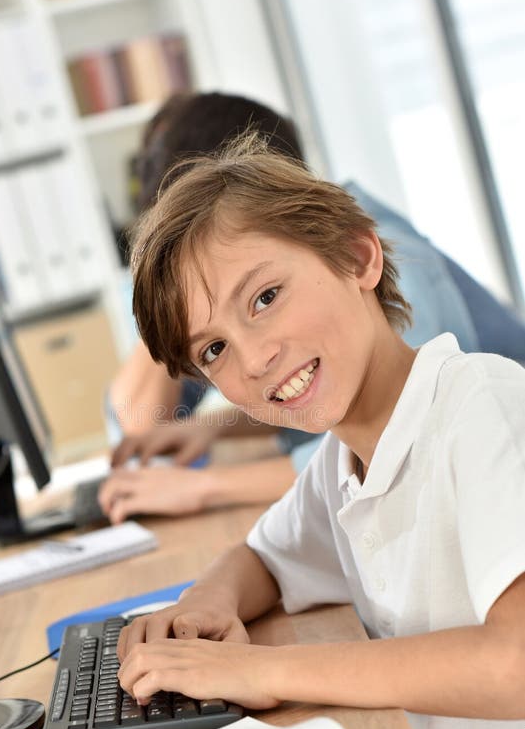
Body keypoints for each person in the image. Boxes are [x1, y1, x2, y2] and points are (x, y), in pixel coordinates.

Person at [116, 134, 525, 729]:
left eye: (265, 298)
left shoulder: (478, 406)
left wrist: (259, 670)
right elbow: (263, 558)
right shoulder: (342, 462)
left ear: (357, 258)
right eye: (212, 351)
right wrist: (204, 606)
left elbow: (515, 663)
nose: (254, 358)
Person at [99, 92, 525, 525]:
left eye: (265, 298)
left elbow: (401, 440)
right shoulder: (267, 291)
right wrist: (168, 291)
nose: (254, 356)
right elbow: (138, 423)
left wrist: (205, 488)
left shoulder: (379, 264)